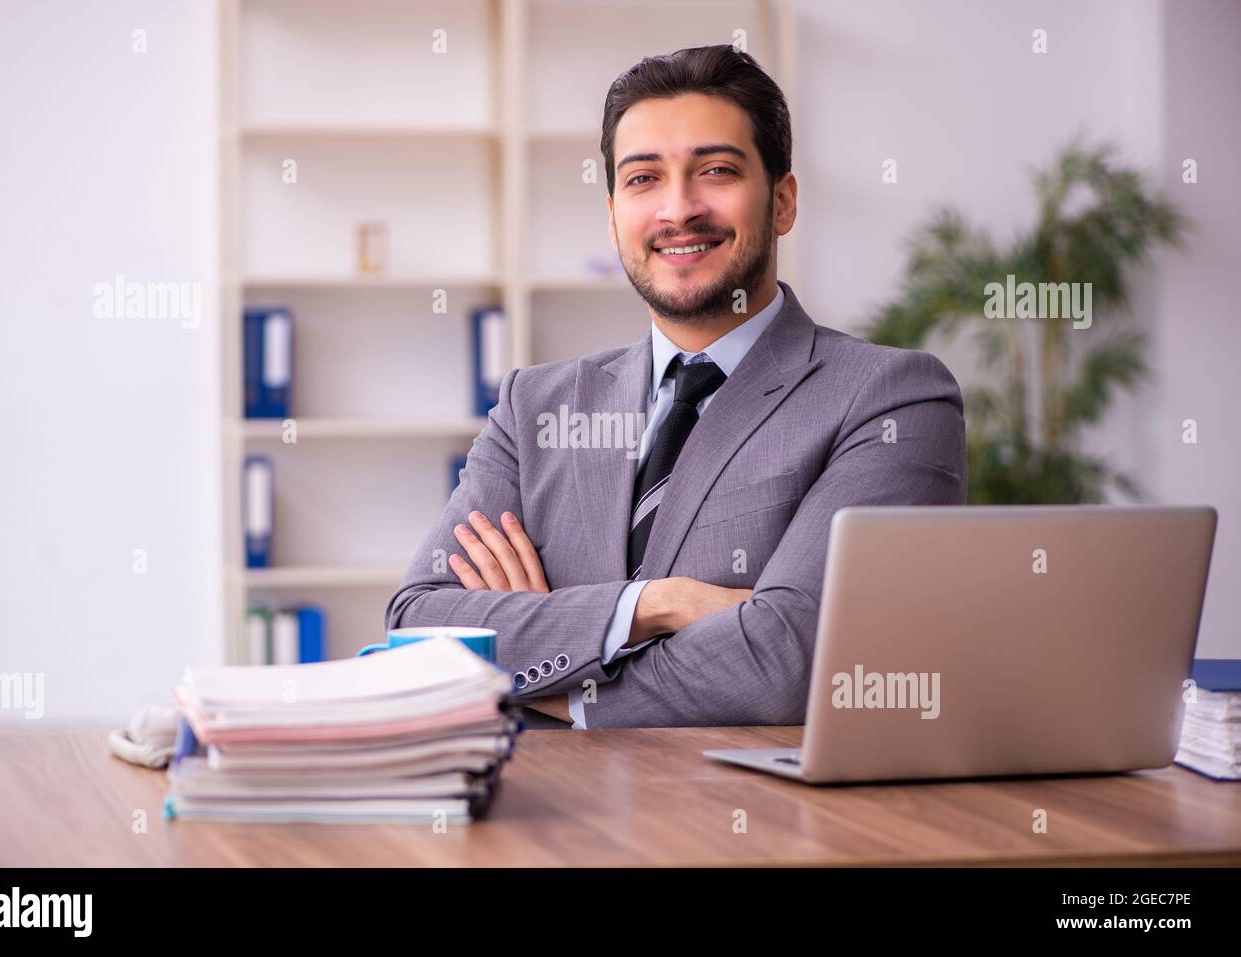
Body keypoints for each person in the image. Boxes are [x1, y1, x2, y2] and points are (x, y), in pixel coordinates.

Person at [386, 45, 966, 729]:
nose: (679, 208)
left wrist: (549, 671)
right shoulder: (533, 407)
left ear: (782, 201)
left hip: (767, 829)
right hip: (544, 825)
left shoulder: (890, 398)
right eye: (643, 179)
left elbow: (790, 661)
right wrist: (657, 604)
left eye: (715, 171)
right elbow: (418, 626)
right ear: (612, 216)